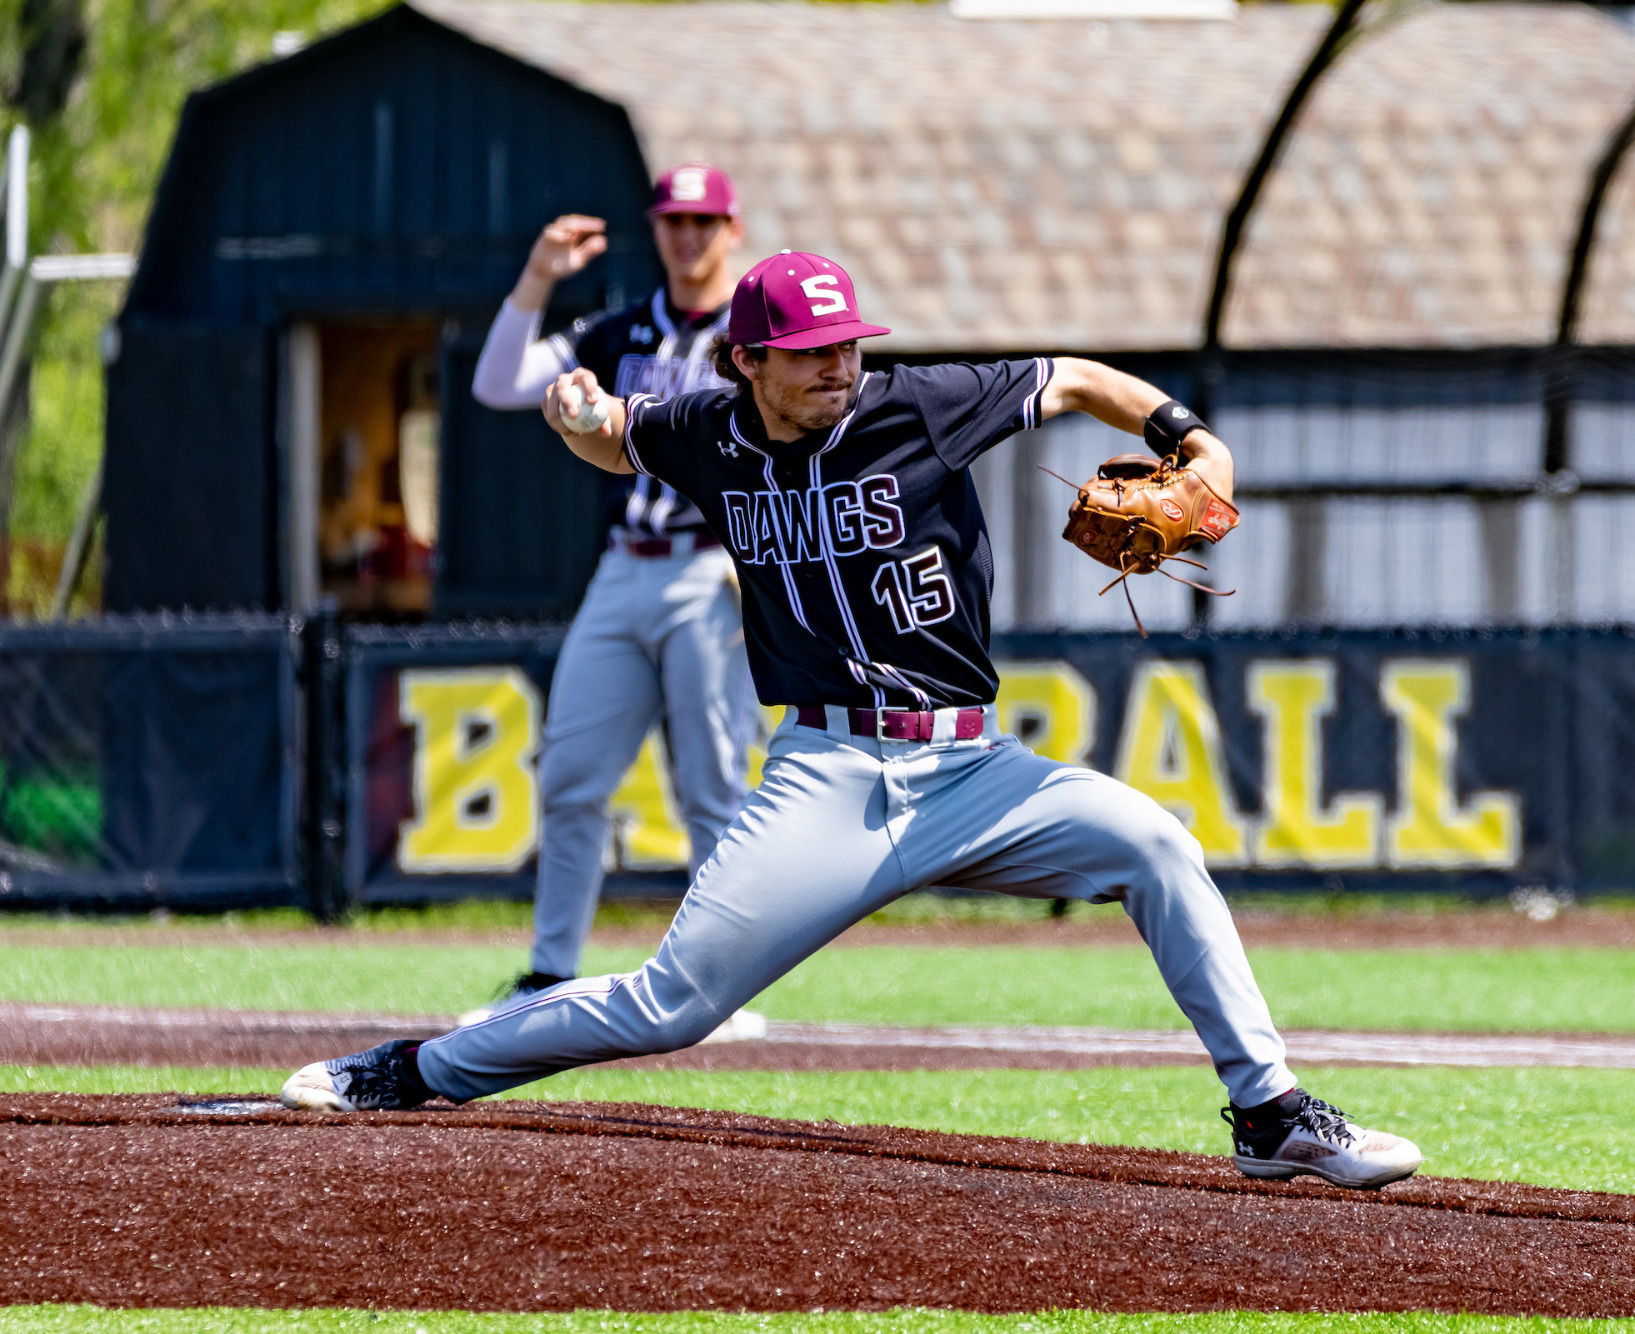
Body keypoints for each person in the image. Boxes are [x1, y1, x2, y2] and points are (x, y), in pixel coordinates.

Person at [282, 251, 1422, 1190]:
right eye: (810, 350)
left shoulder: (916, 406)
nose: (839, 363)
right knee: (675, 1001)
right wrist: (573, 411)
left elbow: (1071, 377)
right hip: (827, 769)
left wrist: (1189, 440)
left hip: (975, 768)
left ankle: (1268, 1113)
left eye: (847, 343)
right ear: (747, 362)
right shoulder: (706, 431)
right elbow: (609, 431)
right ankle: (415, 1067)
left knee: (1153, 842)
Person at [462, 163, 762, 1033]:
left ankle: (720, 978)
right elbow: (496, 383)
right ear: (657, 228)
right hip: (623, 565)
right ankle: (549, 971)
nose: (690, 235)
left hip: (712, 567)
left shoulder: (754, 340)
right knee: (570, 774)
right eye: (676, 219)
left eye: (706, 220)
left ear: (732, 230)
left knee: (711, 788)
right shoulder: (621, 328)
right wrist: (539, 277)